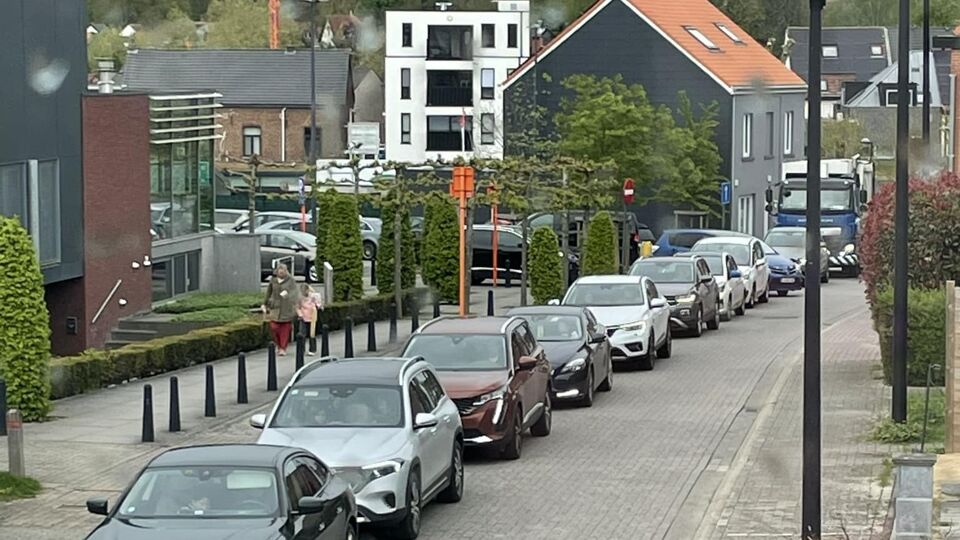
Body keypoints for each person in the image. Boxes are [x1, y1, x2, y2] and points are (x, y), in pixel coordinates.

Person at [261, 263, 300, 356]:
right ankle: (278, 345)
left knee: (285, 329)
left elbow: (295, 293)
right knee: (274, 327)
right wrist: (264, 303)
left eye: (283, 271)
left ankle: (283, 348)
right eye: (280, 271)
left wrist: (288, 295)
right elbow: (268, 292)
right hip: (275, 306)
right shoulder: (273, 280)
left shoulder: (291, 281)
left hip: (286, 307)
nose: (281, 273)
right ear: (277, 271)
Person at [297, 283, 323, 356]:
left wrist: (318, 305)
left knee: (312, 334)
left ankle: (312, 349)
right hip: (303, 317)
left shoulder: (313, 296)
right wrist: (300, 314)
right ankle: (302, 350)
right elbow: (298, 307)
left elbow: (318, 304)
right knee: (302, 334)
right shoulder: (300, 298)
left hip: (312, 317)